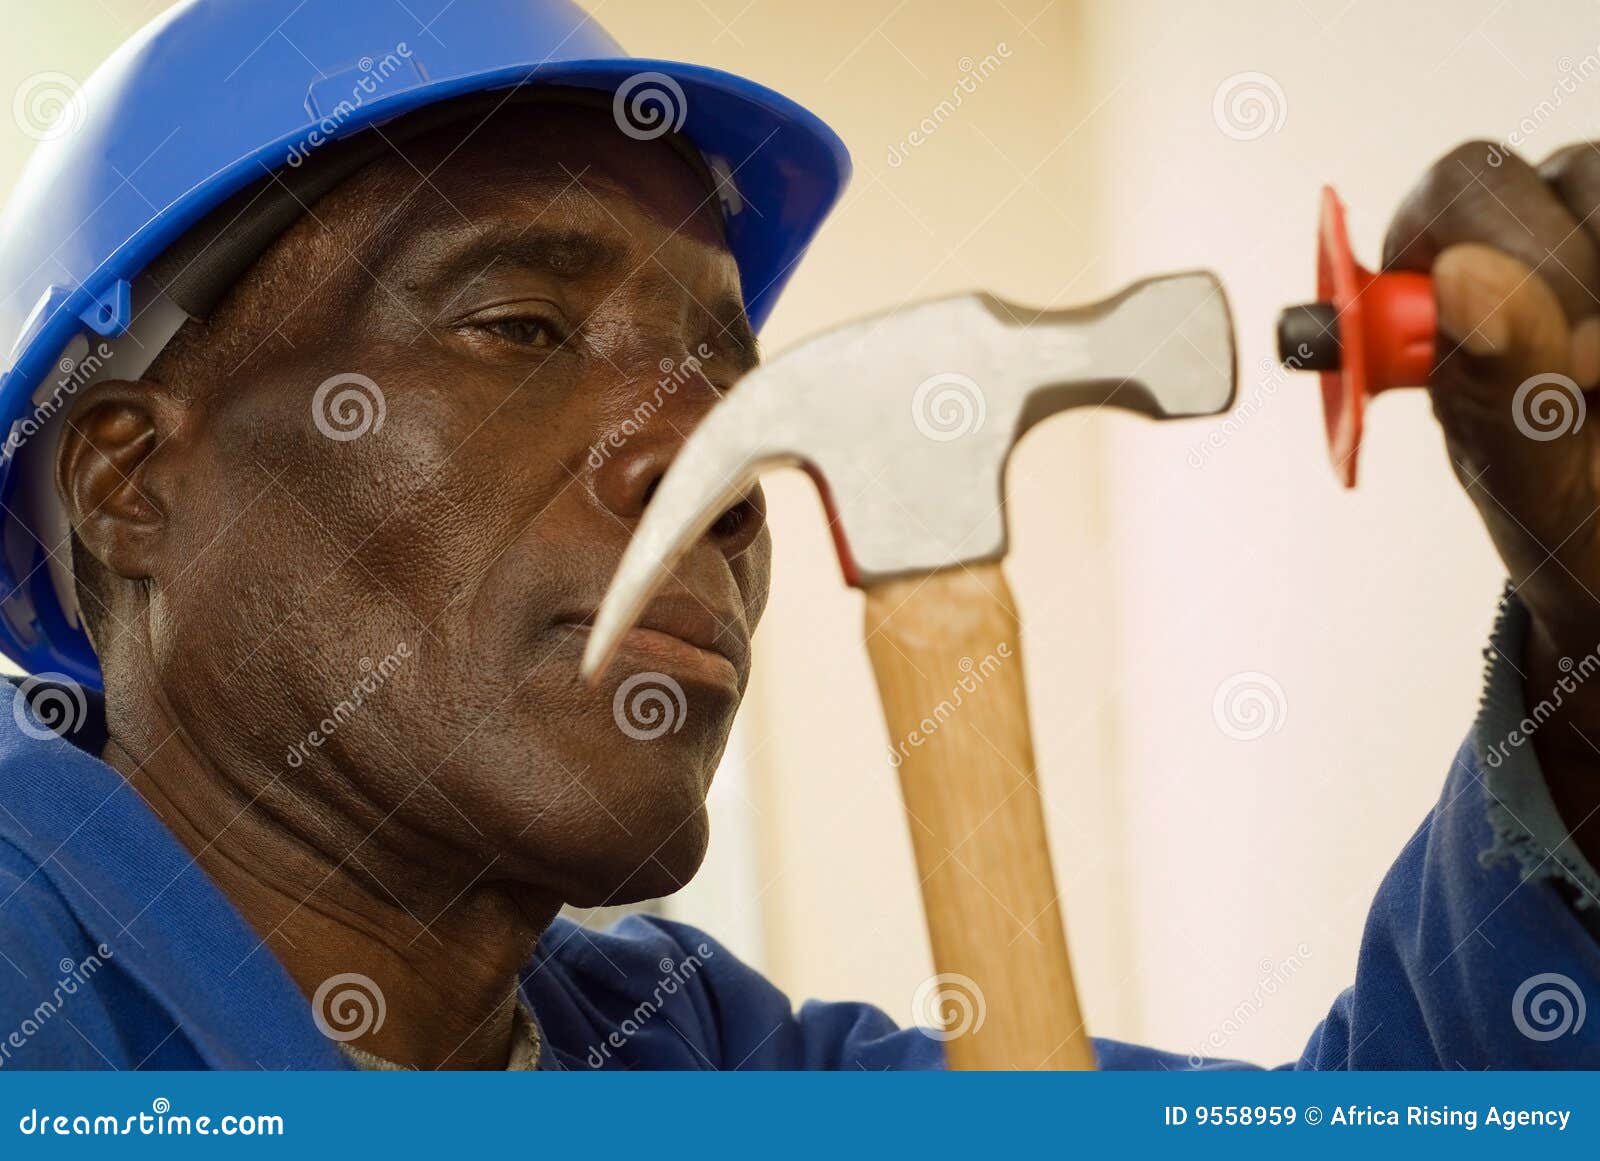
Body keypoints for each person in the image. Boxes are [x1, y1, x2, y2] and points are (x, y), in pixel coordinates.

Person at [0, 0, 1595, 1070]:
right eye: (519, 328)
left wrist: (1582, 668)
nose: (719, 465)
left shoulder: (701, 1057)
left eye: (731, 378)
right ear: (129, 483)